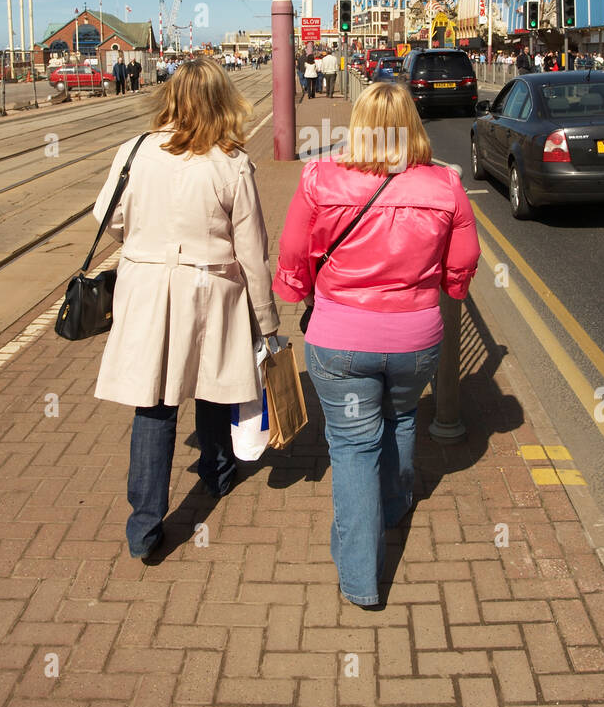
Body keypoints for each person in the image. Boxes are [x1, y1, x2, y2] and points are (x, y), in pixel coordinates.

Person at [273, 82, 480, 607]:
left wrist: (294, 290)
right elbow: (462, 262)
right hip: (415, 337)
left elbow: (295, 250)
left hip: (340, 338)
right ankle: (394, 506)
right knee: (403, 417)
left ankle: (362, 578)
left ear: (359, 123)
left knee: (351, 446)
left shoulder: (320, 176)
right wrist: (451, 290)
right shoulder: (444, 185)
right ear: (411, 123)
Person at [92, 55, 280, 560]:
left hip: (147, 289)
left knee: (154, 402)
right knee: (214, 382)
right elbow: (252, 251)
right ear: (223, 102)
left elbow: (108, 221)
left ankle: (145, 526)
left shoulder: (134, 151)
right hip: (209, 288)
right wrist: (266, 321)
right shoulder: (232, 162)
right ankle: (218, 473)